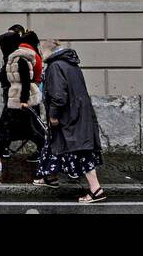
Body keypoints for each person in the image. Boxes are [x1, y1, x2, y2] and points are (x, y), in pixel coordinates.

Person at [34, 39, 106, 203]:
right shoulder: (70, 63)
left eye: (41, 51)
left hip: (69, 116)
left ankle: (96, 189)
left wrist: (53, 115)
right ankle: (49, 176)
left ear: (47, 51)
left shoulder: (55, 66)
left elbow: (59, 95)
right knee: (55, 142)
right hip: (78, 112)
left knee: (80, 150)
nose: (40, 54)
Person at [0, 29, 46, 172]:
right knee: (29, 130)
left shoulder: (19, 59)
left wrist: (23, 100)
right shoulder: (13, 58)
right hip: (16, 99)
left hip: (19, 101)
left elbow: (26, 81)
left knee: (11, 129)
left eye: (2, 44)